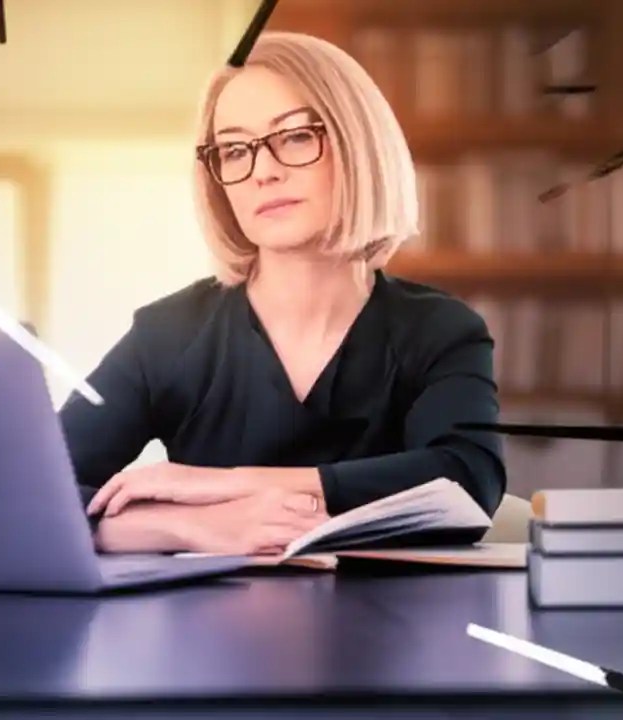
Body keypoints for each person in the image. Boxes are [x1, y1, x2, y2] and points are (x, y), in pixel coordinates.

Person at [57, 31, 506, 557]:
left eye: (294, 137)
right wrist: (190, 526)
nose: (264, 172)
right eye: (234, 150)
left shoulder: (440, 330)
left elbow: (467, 479)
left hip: (391, 610)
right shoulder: (167, 335)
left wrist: (227, 486)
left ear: (357, 146)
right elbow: (30, 494)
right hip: (213, 611)